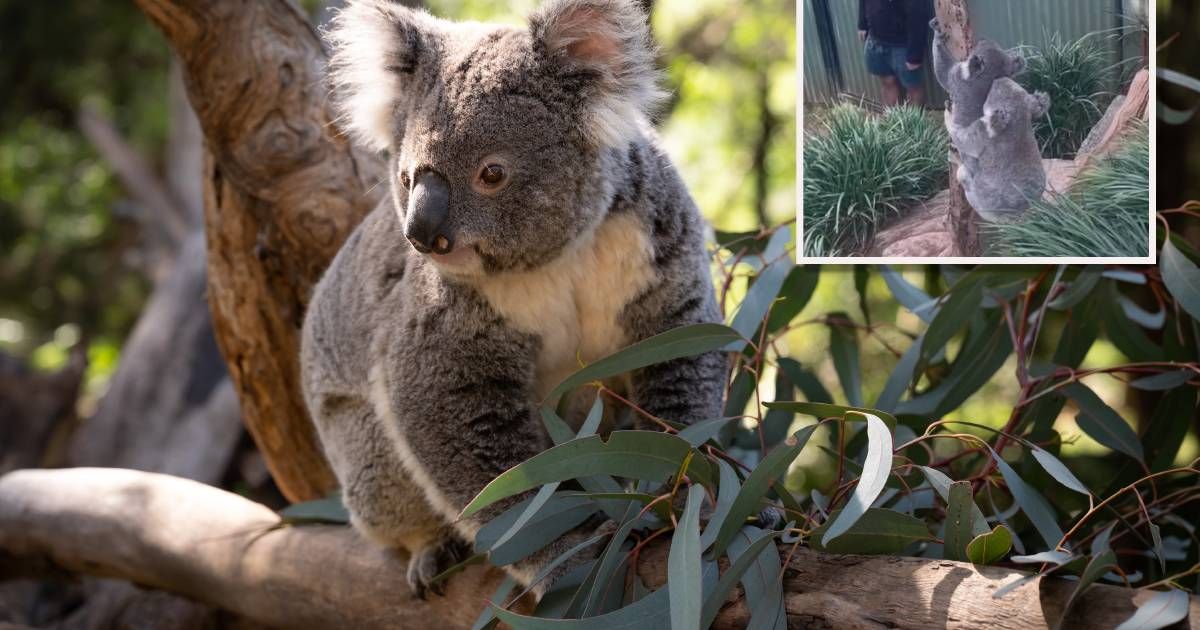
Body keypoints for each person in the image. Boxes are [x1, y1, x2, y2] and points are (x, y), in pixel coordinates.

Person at [858, 0, 932, 107]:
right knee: (887, 81)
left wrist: (915, 54)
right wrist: (862, 23)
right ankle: (893, 121)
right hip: (876, 39)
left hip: (902, 44)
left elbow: (919, 14)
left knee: (913, 87)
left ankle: (915, 122)